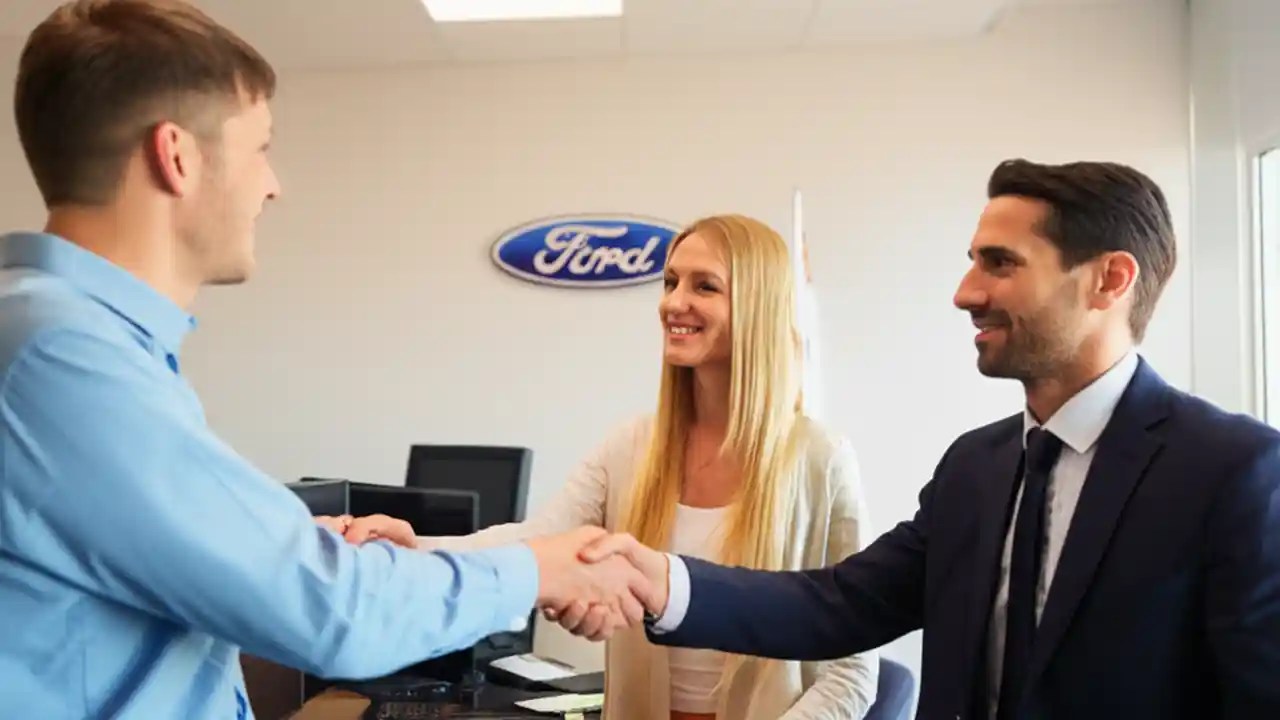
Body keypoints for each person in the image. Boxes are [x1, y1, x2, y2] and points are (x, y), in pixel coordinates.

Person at [0, 2, 649, 718]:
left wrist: (280, 544)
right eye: (260, 149)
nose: (272, 185)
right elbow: (334, 616)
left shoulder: (59, 339)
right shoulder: (59, 358)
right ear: (177, 156)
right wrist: (534, 572)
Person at [573, 160, 1280, 720]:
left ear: (1109, 280)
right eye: (972, 261)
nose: (965, 292)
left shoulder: (1232, 471)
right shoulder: (977, 467)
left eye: (1000, 264)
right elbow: (840, 605)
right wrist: (661, 581)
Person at [341, 214, 880, 719]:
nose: (674, 303)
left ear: (759, 306)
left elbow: (852, 670)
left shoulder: (822, 460)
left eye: (704, 286)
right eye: (671, 282)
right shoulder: (631, 446)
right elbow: (534, 541)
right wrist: (414, 549)